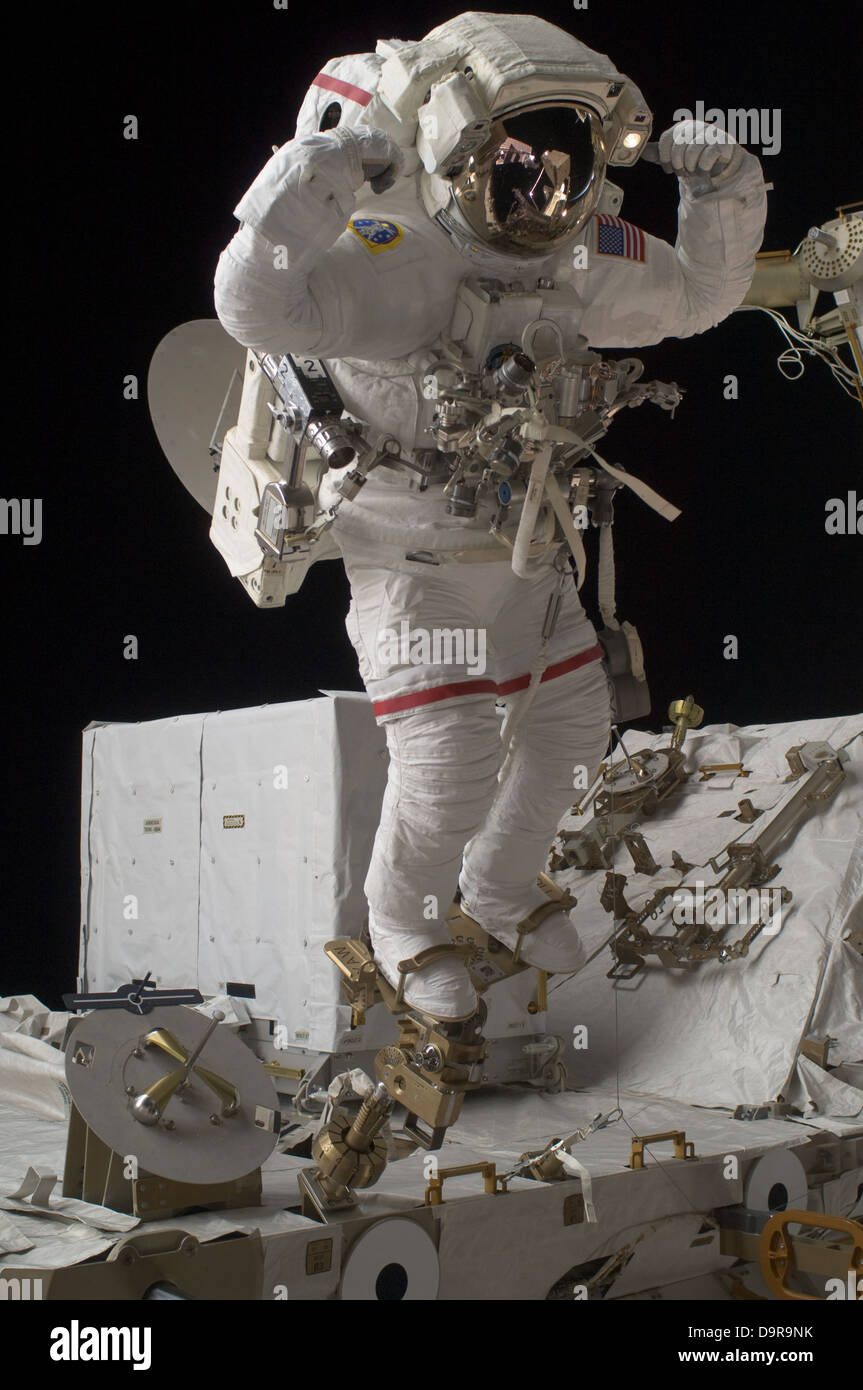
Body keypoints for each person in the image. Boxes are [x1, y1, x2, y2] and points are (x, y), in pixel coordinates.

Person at [214, 11, 767, 1022]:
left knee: (569, 731)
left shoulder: (576, 251)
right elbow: (255, 308)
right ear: (458, 144)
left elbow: (694, 295)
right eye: (517, 160)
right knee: (453, 762)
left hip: (524, 545)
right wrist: (304, 194)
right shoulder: (392, 252)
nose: (542, 187)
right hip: (412, 553)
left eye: (565, 159)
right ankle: (409, 926)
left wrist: (721, 193)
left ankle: (504, 895)